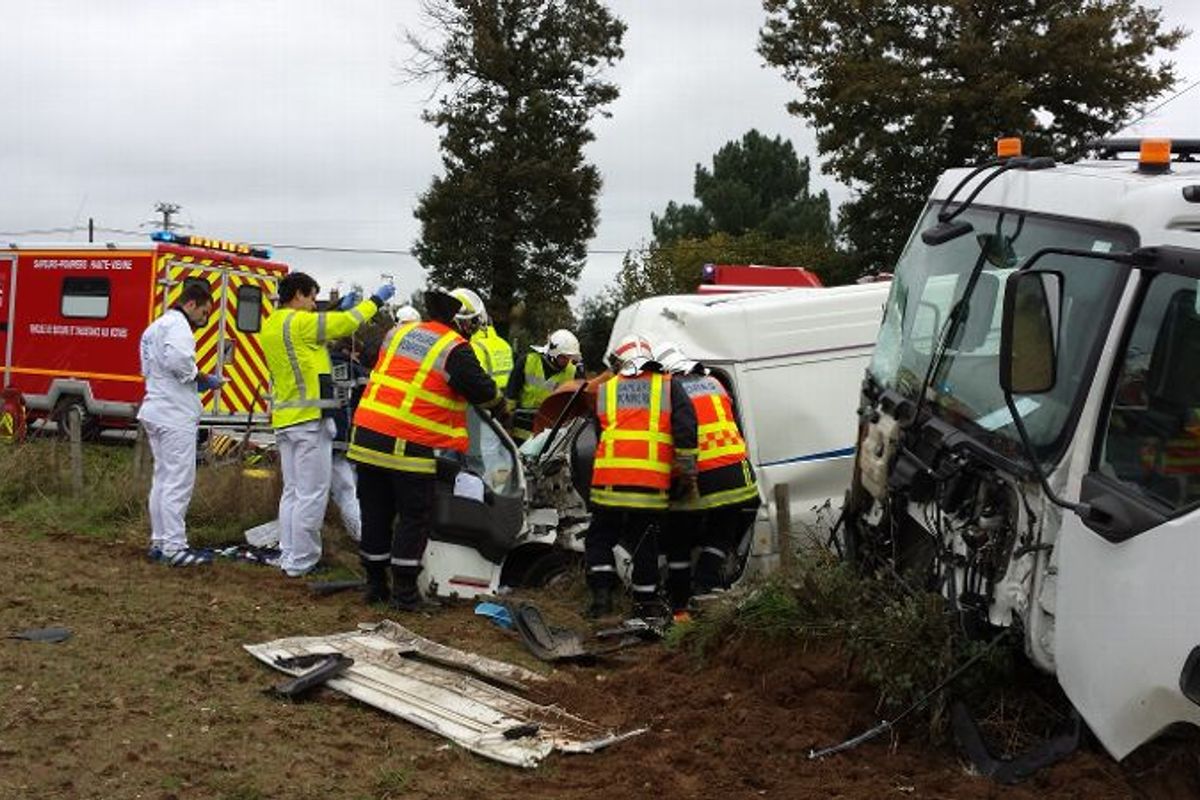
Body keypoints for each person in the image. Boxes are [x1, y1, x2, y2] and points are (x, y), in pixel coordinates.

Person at [348, 287, 506, 610]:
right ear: (465, 323)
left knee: (375, 512)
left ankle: (375, 585)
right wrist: (503, 405)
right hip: (407, 443)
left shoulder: (400, 334)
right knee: (414, 516)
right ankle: (404, 594)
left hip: (365, 436)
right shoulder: (454, 348)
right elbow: (482, 391)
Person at [261, 273, 391, 577]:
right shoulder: (301, 323)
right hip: (310, 421)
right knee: (312, 493)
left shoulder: (272, 325)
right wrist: (376, 300)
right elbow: (346, 325)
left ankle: (289, 555)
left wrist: (331, 309)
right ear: (298, 295)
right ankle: (304, 561)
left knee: (292, 492)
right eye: (310, 297)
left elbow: (315, 336)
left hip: (286, 420)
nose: (311, 304)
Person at [583, 334, 698, 619]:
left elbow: (600, 434)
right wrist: (685, 474)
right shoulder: (669, 386)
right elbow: (686, 429)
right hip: (649, 485)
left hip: (608, 484)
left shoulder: (606, 391)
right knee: (645, 544)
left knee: (599, 539)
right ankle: (646, 606)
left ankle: (601, 599)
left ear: (620, 361)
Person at [654, 341, 760, 613]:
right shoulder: (714, 382)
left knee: (678, 536)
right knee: (722, 530)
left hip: (702, 476)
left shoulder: (668, 392)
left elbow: (671, 438)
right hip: (737, 474)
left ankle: (679, 600)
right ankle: (706, 582)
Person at [137, 280, 223, 567]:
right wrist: (199, 378)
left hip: (155, 408)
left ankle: (160, 541)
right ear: (190, 304)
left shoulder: (154, 327)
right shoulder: (179, 327)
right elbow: (179, 360)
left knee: (162, 480)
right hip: (174, 414)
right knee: (178, 482)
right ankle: (175, 547)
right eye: (203, 312)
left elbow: (150, 367)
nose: (205, 319)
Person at [506, 328, 585, 442]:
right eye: (563, 357)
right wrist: (507, 424)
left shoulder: (573, 373)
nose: (567, 361)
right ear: (553, 352)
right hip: (521, 428)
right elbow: (511, 395)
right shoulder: (527, 361)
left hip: (549, 434)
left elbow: (577, 405)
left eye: (569, 357)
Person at [329, 337, 369, 542]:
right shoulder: (357, 371)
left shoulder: (321, 363)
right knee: (347, 489)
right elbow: (367, 402)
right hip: (344, 436)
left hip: (316, 435)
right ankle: (359, 536)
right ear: (349, 351)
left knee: (309, 491)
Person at [451, 288, 514, 392]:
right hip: (504, 396)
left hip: (485, 398)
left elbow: (472, 381)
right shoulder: (504, 344)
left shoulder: (473, 347)